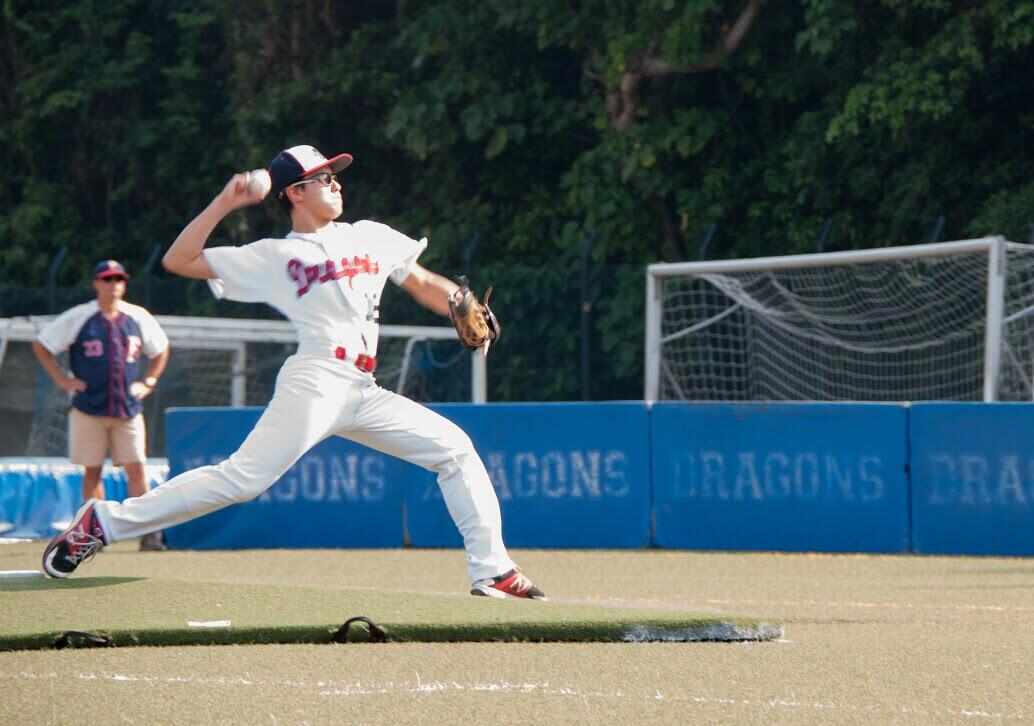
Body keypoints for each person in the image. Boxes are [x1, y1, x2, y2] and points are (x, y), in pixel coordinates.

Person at [41, 145, 546, 600]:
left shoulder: (369, 235)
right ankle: (103, 521)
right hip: (317, 378)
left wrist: (461, 300)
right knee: (241, 480)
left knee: (455, 449)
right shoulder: (275, 256)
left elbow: (420, 281)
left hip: (364, 389)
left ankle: (493, 571)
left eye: (335, 175)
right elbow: (179, 260)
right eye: (324, 178)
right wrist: (225, 202)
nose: (336, 183)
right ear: (294, 193)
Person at [33, 259, 170, 551]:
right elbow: (42, 345)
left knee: (136, 469)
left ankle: (149, 533)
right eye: (107, 279)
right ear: (96, 283)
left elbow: (160, 349)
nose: (113, 284)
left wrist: (149, 381)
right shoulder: (81, 317)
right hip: (89, 408)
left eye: (118, 279)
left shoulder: (137, 316)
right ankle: (93, 533)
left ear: (125, 283)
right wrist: (61, 379)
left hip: (127, 407)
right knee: (93, 471)